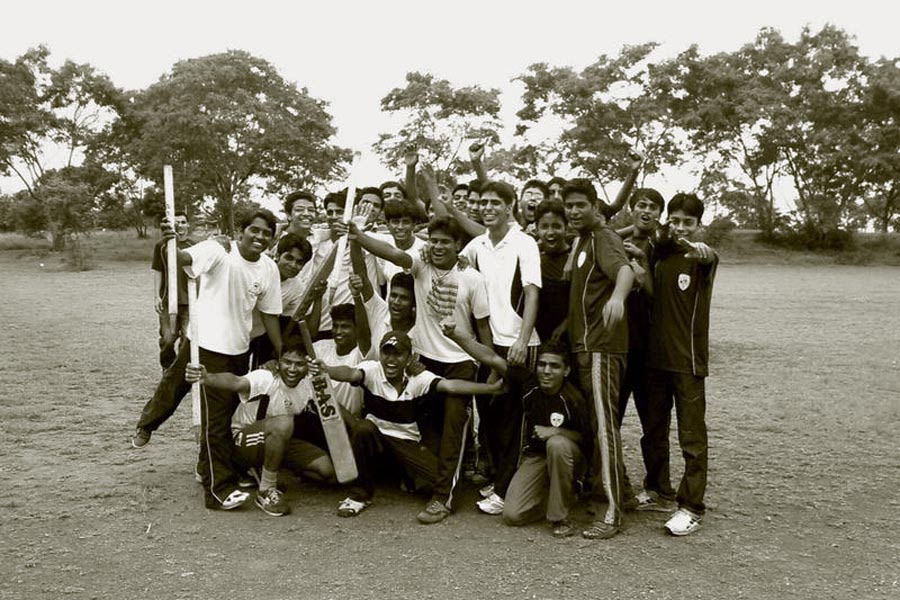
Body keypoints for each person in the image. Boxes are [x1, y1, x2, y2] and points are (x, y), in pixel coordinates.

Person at [133, 209, 283, 512]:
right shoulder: (219, 249)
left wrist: (282, 352)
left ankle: (206, 471)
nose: (260, 237)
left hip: (237, 350)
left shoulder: (269, 268)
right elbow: (180, 260)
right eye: (254, 230)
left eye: (267, 233)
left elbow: (269, 315)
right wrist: (169, 242)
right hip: (204, 344)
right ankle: (217, 489)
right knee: (174, 389)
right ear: (241, 231)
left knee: (219, 421)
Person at [349, 216, 492, 524]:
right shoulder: (421, 265)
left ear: (458, 245)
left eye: (446, 241)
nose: (438, 247)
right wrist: (359, 237)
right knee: (429, 430)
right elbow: (394, 254)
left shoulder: (473, 279)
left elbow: (482, 326)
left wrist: (489, 363)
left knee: (454, 431)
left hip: (461, 364)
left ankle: (444, 498)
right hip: (424, 360)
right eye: (434, 241)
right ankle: (427, 479)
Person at [310, 331, 503, 520]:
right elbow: (350, 373)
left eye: (398, 354)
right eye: (387, 353)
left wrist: (490, 389)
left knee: (435, 480)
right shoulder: (372, 370)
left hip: (406, 442)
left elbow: (451, 386)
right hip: (377, 438)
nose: (391, 360)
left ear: (409, 358)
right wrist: (328, 370)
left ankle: (404, 478)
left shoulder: (419, 379)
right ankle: (359, 495)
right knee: (363, 429)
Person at [443, 323, 591, 537]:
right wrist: (455, 335)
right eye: (542, 364)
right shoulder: (530, 384)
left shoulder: (573, 399)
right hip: (538, 457)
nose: (547, 371)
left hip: (568, 456)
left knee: (557, 445)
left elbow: (587, 440)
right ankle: (559, 497)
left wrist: (556, 432)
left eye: (554, 366)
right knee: (513, 515)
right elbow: (491, 358)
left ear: (566, 370)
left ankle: (560, 518)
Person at [460, 180, 542, 516]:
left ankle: (506, 489)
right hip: (486, 344)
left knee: (512, 422)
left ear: (510, 206)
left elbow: (533, 292)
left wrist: (522, 340)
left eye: (495, 202)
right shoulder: (477, 244)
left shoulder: (524, 243)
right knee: (490, 414)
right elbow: (452, 264)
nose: (488, 208)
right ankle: (497, 477)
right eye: (483, 203)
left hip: (518, 344)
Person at [641, 193, 718, 536]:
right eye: (676, 220)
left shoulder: (701, 259)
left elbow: (710, 255)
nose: (681, 227)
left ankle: (691, 507)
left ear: (699, 225)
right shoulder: (659, 255)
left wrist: (705, 251)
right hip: (654, 362)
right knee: (653, 431)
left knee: (692, 438)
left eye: (689, 222)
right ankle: (658, 489)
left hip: (687, 362)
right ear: (667, 220)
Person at [184, 341, 334, 516]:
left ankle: (269, 468)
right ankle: (265, 489)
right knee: (284, 423)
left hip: (276, 439)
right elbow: (236, 382)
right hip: (241, 441)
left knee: (326, 471)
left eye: (299, 364)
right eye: (287, 362)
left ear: (307, 366)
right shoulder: (266, 377)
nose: (292, 369)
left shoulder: (309, 385)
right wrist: (208, 377)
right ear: (278, 362)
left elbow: (333, 408)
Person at [563, 178, 635, 539]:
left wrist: (618, 298)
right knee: (596, 424)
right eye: (569, 205)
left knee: (605, 426)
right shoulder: (583, 240)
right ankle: (623, 495)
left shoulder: (604, 237)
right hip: (585, 346)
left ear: (595, 206)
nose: (574, 211)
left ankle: (611, 511)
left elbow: (623, 270)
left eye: (580, 205)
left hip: (603, 347)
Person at [616, 188, 665, 503]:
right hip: (620, 347)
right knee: (611, 421)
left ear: (660, 214)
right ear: (632, 209)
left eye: (653, 207)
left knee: (655, 423)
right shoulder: (617, 246)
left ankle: (658, 487)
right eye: (641, 205)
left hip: (653, 352)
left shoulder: (665, 248)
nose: (647, 211)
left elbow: (661, 299)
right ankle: (614, 485)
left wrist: (643, 264)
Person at [311, 303, 371, 417]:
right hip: (319, 420)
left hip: (351, 423)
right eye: (335, 326)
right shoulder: (319, 347)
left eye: (345, 326)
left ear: (357, 328)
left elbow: (365, 334)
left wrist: (357, 295)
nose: (338, 331)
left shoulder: (363, 354)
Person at [151, 211, 193, 369]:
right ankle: (168, 370)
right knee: (168, 339)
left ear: (188, 225)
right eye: (176, 223)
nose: (179, 226)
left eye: (183, 222)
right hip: (168, 302)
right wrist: (157, 296)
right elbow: (158, 271)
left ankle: (180, 375)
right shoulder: (161, 246)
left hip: (189, 302)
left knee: (187, 342)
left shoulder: (194, 246)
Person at [533, 200, 571, 344]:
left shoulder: (574, 258)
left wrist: (565, 325)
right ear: (536, 229)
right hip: (538, 337)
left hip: (569, 336)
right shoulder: (533, 259)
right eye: (544, 227)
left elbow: (581, 302)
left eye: (556, 226)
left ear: (566, 227)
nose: (550, 232)